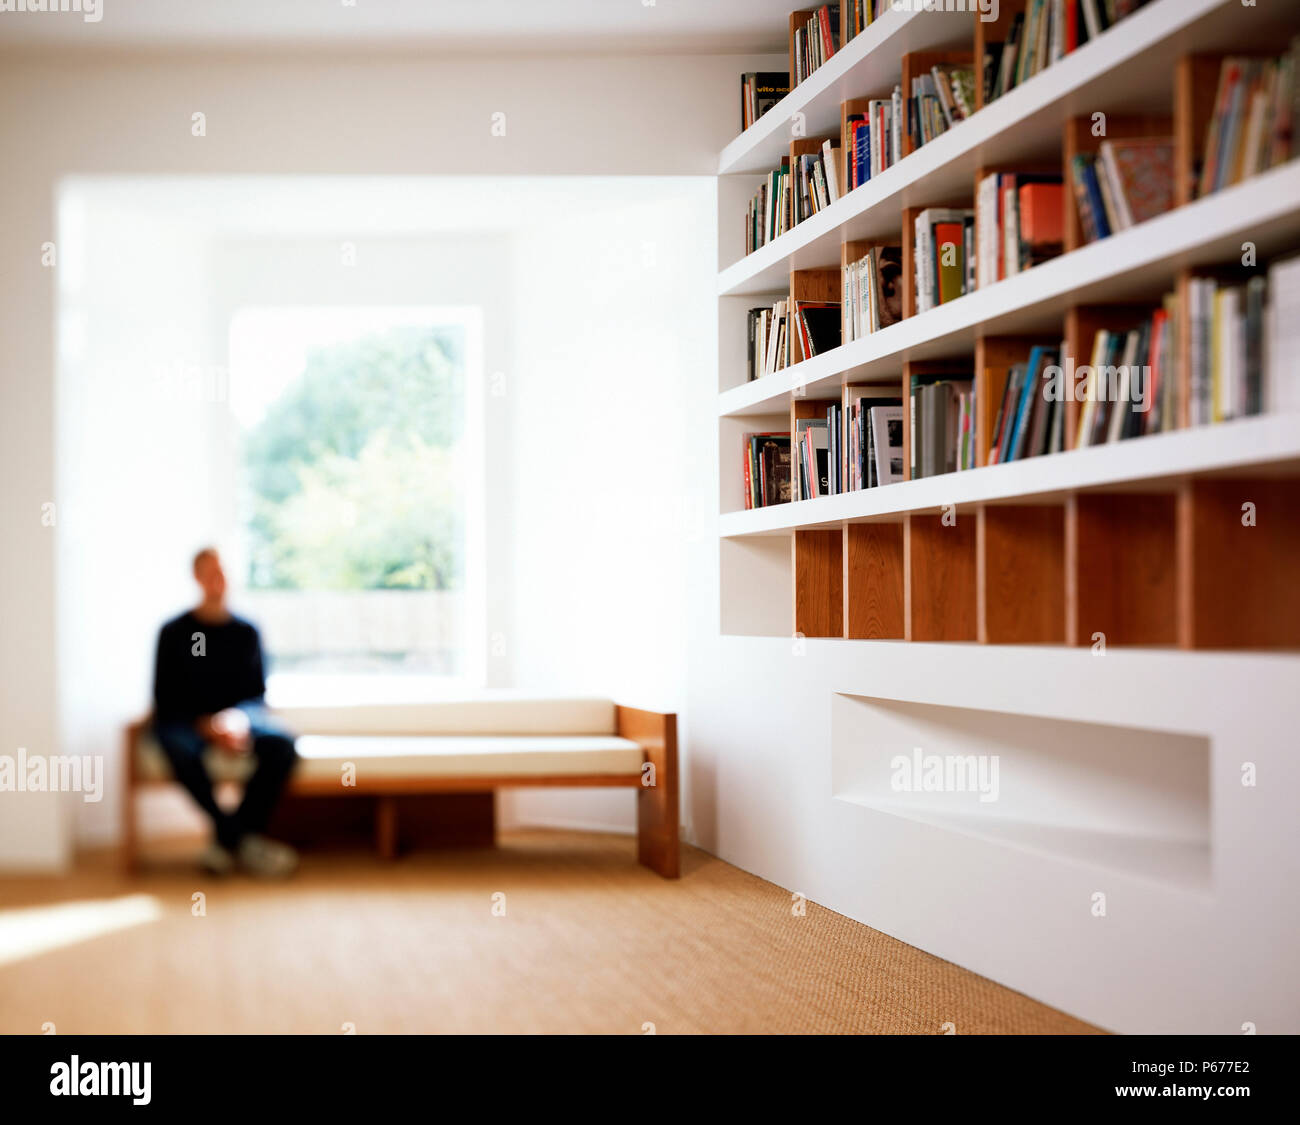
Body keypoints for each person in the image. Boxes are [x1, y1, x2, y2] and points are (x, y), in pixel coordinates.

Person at [152, 547, 299, 877]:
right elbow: (164, 697)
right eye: (210, 572)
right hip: (187, 722)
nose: (218, 579)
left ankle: (228, 840)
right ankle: (238, 837)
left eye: (223, 571)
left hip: (240, 719)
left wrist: (236, 720)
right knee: (177, 746)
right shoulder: (174, 632)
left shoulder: (246, 632)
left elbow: (257, 693)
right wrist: (205, 725)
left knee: (282, 745)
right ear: (197, 577)